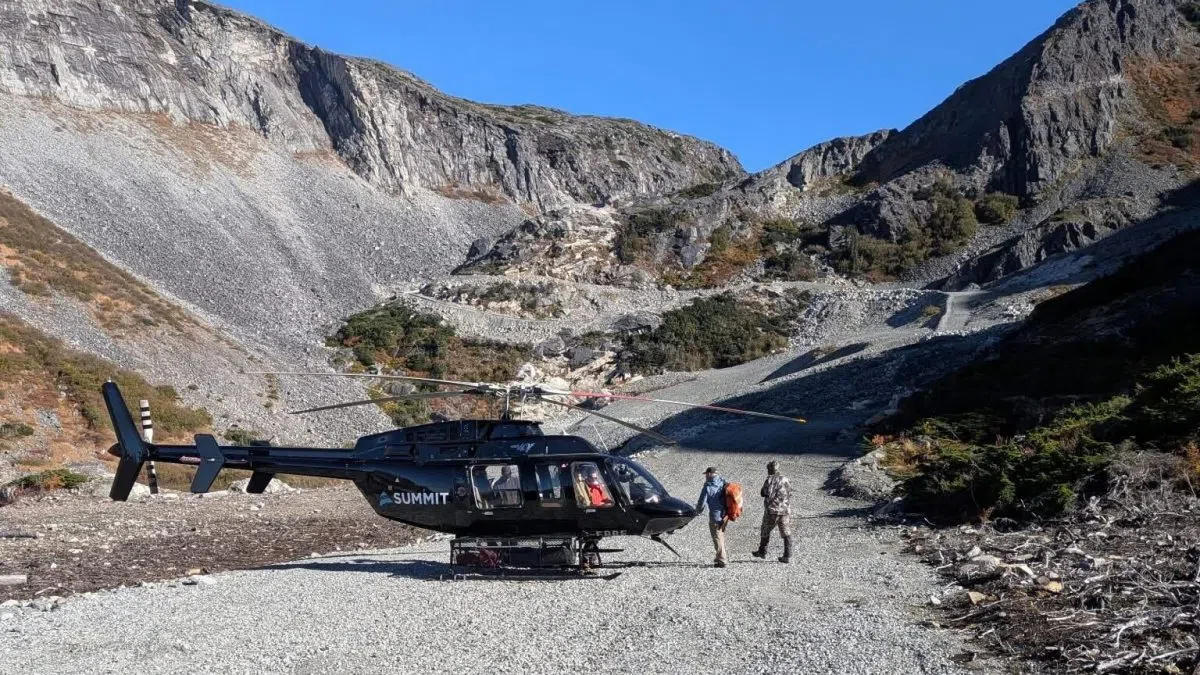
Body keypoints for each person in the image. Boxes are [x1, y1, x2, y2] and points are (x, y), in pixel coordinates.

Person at [752, 461, 792, 563]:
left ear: (769, 469)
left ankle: (762, 551)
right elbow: (789, 492)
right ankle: (787, 555)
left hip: (772, 510)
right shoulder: (785, 479)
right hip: (785, 510)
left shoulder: (769, 480)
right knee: (786, 532)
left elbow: (763, 493)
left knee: (765, 529)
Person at [695, 467, 728, 567]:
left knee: (717, 537)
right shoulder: (723, 483)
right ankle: (719, 557)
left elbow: (701, 503)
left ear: (709, 474)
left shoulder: (708, 487)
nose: (705, 476)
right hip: (725, 515)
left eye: (706, 474)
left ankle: (722, 561)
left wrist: (697, 511)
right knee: (720, 536)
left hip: (715, 516)